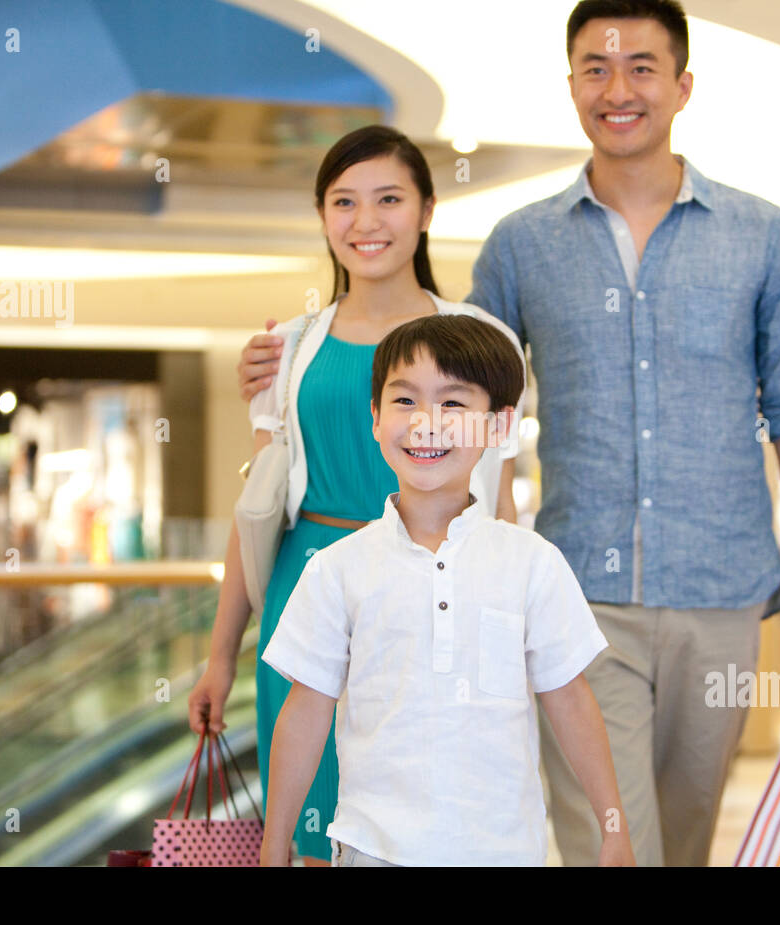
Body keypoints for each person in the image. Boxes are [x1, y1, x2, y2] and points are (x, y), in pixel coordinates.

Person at [238, 0, 780, 867]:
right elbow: (442, 383)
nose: (618, 89)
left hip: (721, 592)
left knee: (681, 845)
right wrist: (295, 365)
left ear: (683, 85)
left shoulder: (761, 236)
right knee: (615, 845)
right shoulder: (521, 244)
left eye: (642, 68)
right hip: (579, 591)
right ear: (570, 85)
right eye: (596, 69)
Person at [188, 126, 526, 866]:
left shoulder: (477, 340)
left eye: (389, 199)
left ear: (427, 210)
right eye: (344, 202)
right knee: (308, 832)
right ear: (321, 216)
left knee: (417, 826)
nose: (366, 222)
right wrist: (219, 654)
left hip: (427, 603)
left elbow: (497, 501)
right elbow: (259, 510)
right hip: (307, 597)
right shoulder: (290, 348)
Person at [258, 314, 632, 866]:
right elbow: (306, 710)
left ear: (499, 428)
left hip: (502, 851)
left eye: (454, 404)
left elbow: (570, 699)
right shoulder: (337, 569)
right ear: (375, 419)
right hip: (372, 847)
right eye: (405, 401)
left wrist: (613, 828)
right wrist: (274, 846)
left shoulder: (531, 562)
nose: (427, 423)